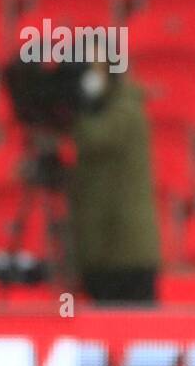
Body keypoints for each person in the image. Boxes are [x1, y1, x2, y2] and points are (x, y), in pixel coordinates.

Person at [68, 59, 161, 304]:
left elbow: (95, 139)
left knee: (136, 333)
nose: (87, 75)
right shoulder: (100, 110)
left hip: (126, 251)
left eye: (93, 67)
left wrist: (76, 106)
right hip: (99, 248)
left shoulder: (126, 109)